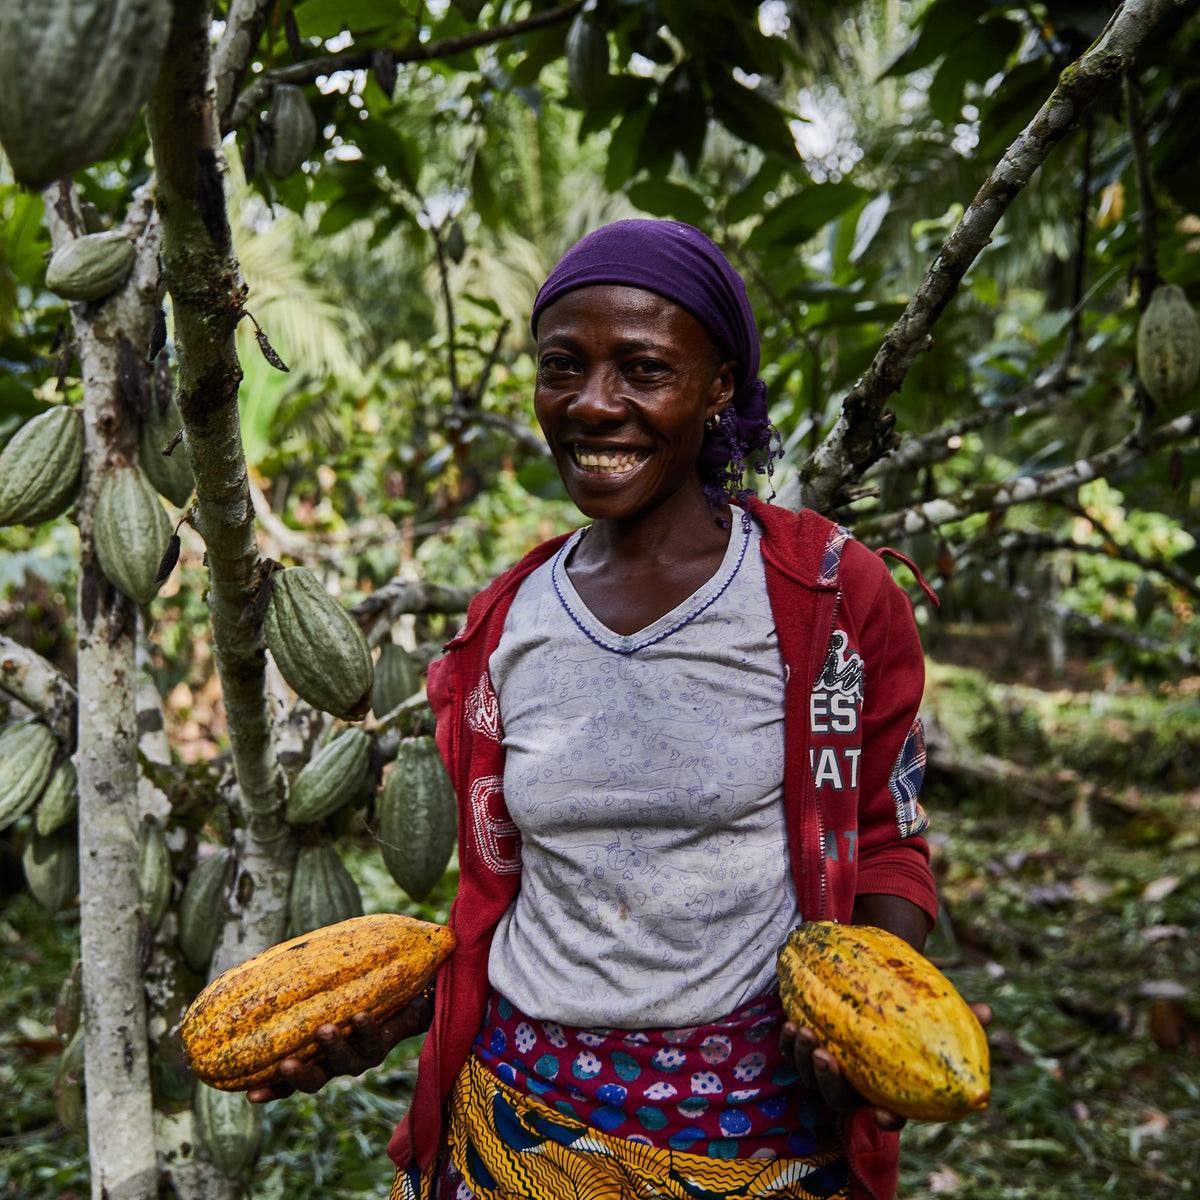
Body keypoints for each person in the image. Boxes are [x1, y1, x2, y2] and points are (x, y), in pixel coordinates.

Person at [251, 219, 978, 1200]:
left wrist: (868, 1013)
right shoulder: (500, 627)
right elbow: (512, 898)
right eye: (563, 367)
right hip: (519, 1121)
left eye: (643, 368)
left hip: (758, 1131)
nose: (595, 405)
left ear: (720, 384)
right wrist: (377, 1014)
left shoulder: (830, 599)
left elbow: (888, 836)